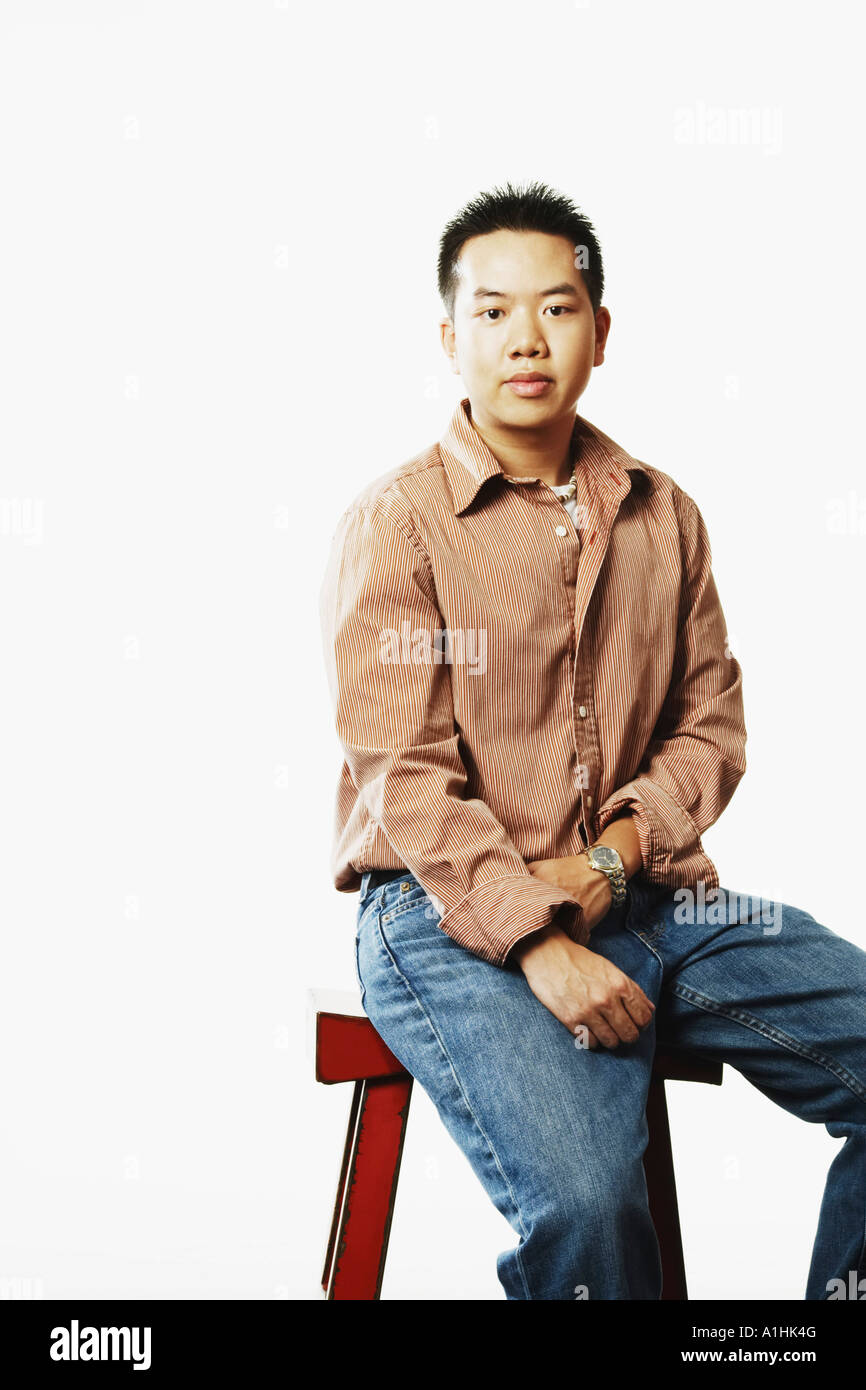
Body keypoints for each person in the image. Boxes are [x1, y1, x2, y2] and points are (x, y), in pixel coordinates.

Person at [318, 180, 866, 1300]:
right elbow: (405, 778)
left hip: (653, 896)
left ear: (599, 331)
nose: (526, 337)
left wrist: (614, 859)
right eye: (492, 311)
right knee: (585, 1203)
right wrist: (537, 938)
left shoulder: (660, 512)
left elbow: (707, 723)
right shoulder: (399, 521)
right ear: (448, 336)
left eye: (557, 308)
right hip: (441, 913)